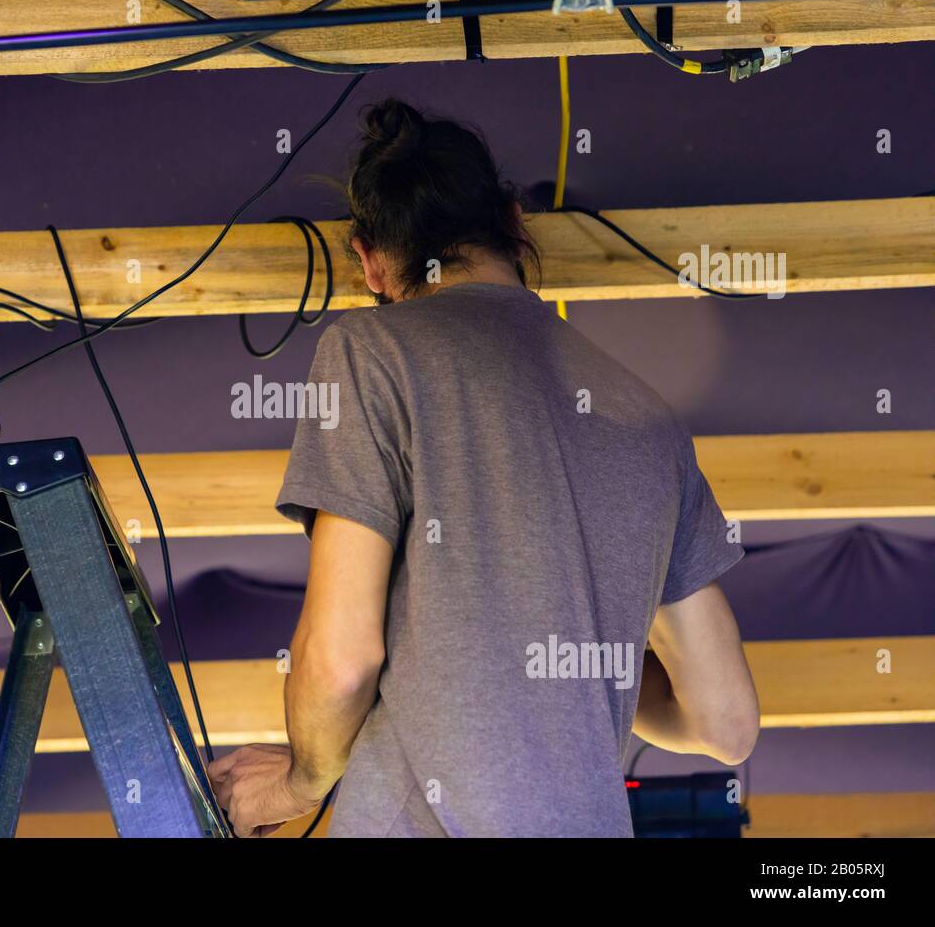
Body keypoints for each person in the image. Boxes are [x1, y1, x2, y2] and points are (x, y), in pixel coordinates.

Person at [207, 99, 759, 837]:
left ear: (367, 260)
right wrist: (577, 668)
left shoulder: (372, 353)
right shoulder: (648, 419)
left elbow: (343, 660)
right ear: (514, 223)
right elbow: (725, 722)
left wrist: (294, 786)